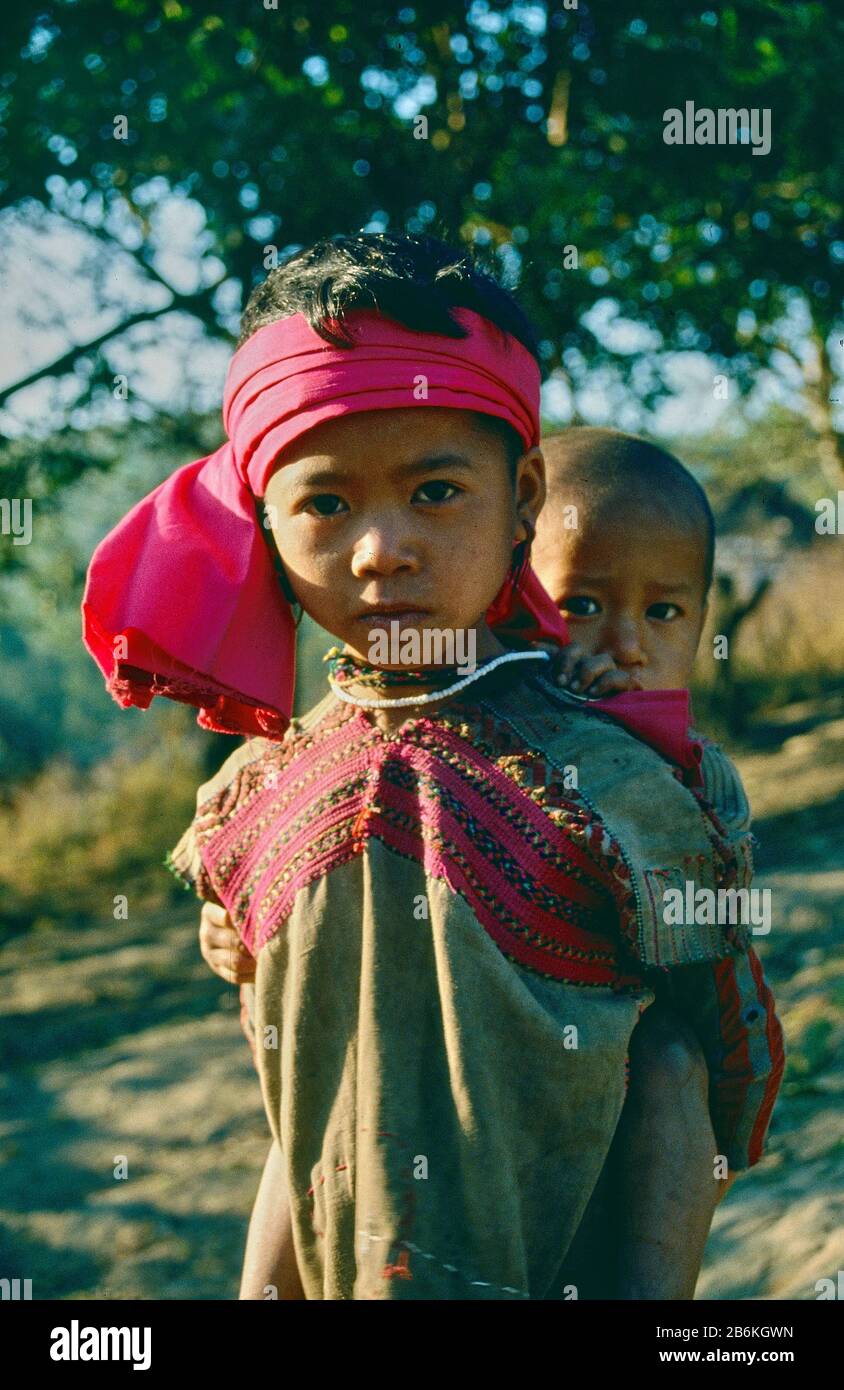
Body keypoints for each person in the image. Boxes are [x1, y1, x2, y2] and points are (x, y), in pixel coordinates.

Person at [83, 232, 784, 1300]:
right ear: (263, 526)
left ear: (524, 498)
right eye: (325, 503)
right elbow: (289, 1066)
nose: (380, 549)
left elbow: (711, 1041)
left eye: (436, 491)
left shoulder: (616, 777)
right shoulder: (255, 791)